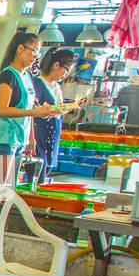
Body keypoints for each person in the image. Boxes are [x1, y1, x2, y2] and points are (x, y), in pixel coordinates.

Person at [0, 31, 60, 184]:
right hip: (3, 140)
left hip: (19, 140)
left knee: (9, 187)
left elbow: (29, 108)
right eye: (34, 51)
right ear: (20, 48)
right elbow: (2, 110)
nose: (35, 57)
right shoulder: (7, 76)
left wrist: (31, 137)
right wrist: (35, 112)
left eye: (38, 53)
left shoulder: (27, 76)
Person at [30, 47, 83, 182]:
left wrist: (73, 105)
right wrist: (71, 105)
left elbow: (59, 109)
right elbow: (40, 110)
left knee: (45, 173)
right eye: (66, 70)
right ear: (56, 65)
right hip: (39, 135)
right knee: (36, 174)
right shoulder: (37, 83)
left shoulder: (57, 87)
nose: (66, 75)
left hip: (52, 136)